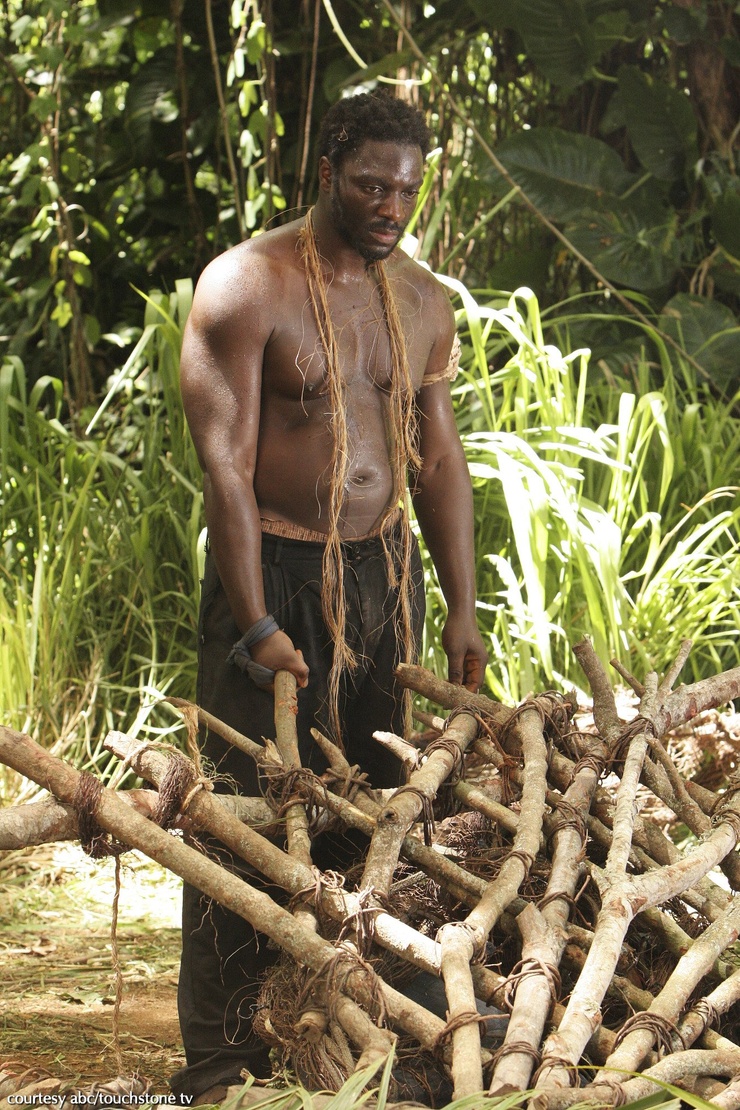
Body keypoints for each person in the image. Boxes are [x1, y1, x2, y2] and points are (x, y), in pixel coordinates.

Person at [170, 92, 488, 1104]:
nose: (390, 205)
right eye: (369, 185)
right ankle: (221, 1064)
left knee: (378, 809)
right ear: (326, 172)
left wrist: (460, 606)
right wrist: (257, 620)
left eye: (406, 189)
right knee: (245, 814)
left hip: (380, 575)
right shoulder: (246, 285)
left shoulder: (422, 299)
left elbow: (438, 460)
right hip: (273, 567)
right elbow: (226, 468)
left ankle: (359, 1040)